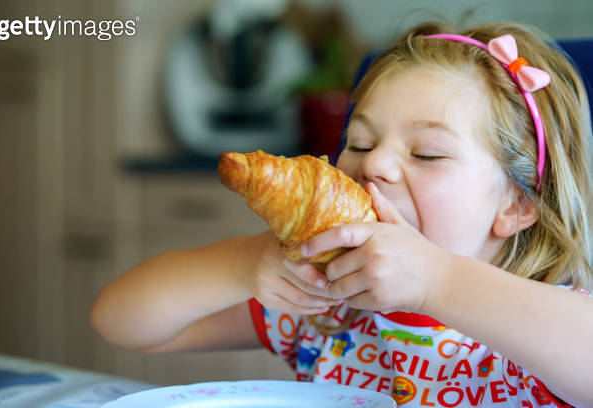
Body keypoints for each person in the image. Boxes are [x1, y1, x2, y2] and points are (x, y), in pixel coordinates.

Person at [90, 21, 593, 407]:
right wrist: (246, 263)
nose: (372, 162)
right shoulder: (329, 308)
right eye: (359, 141)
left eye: (426, 154)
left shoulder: (540, 327)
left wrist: (435, 281)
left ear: (517, 204)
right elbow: (121, 321)